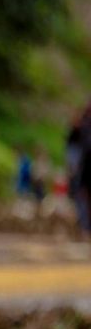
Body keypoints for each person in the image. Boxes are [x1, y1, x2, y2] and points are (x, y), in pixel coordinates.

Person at [68, 100, 91, 235]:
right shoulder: (82, 127)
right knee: (83, 196)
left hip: (84, 166)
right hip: (85, 167)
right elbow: (72, 147)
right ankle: (85, 226)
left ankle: (86, 225)